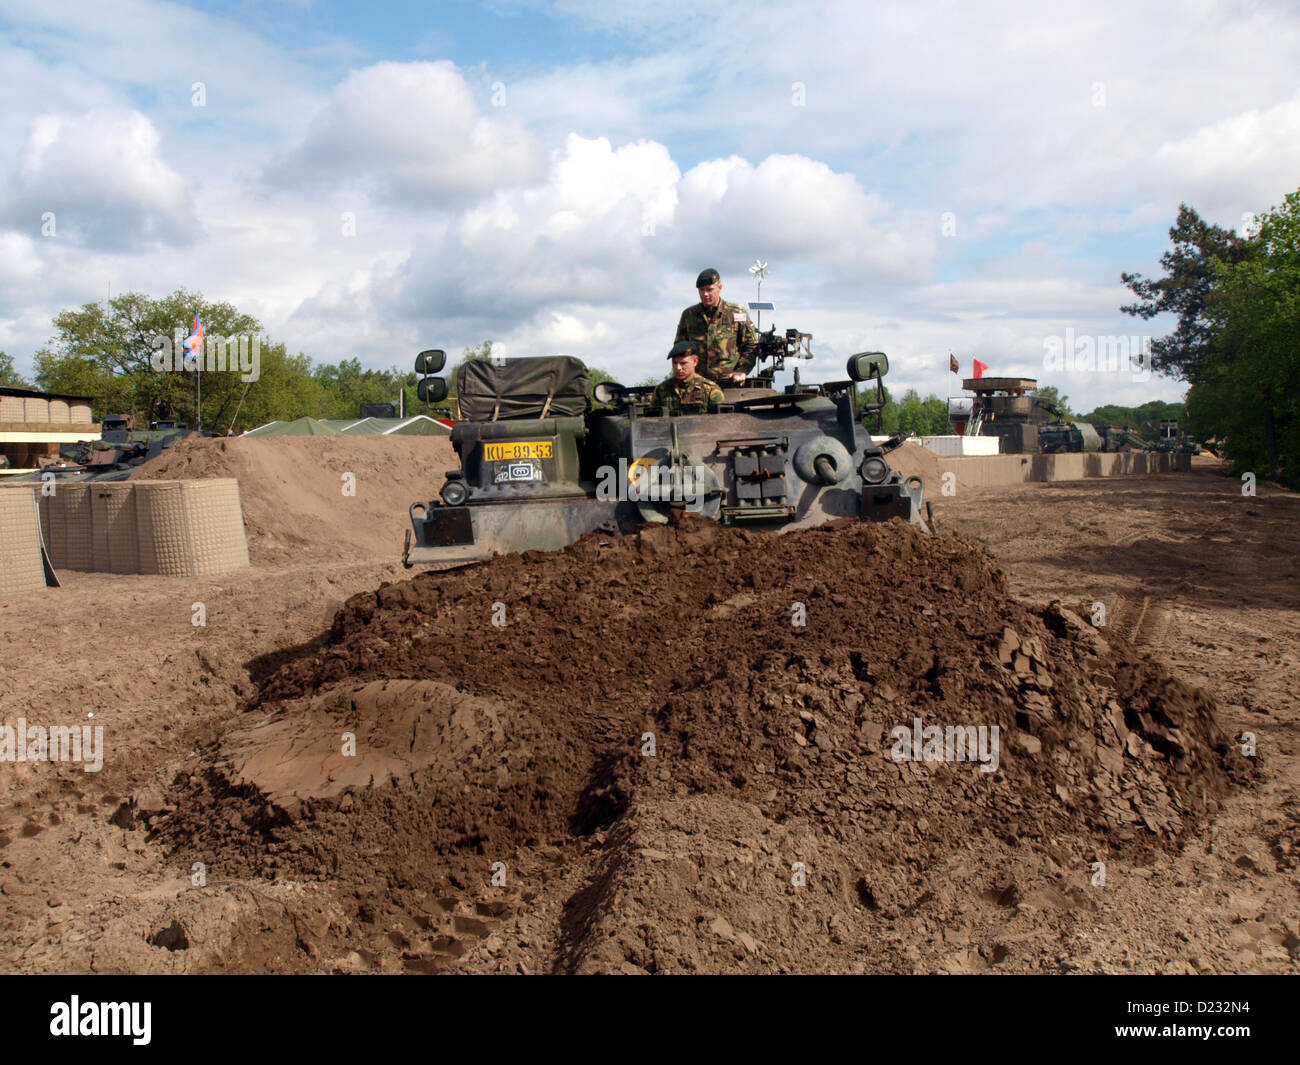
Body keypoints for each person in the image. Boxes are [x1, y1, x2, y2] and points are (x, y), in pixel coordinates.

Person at [674, 268, 759, 385]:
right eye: (701, 290)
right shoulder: (689, 316)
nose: (705, 294)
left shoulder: (736, 313)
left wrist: (742, 370)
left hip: (730, 384)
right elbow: (679, 349)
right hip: (698, 385)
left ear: (720, 288)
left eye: (710, 290)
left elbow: (751, 345)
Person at [652, 341, 725, 410]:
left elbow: (720, 421)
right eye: (675, 363)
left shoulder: (711, 391)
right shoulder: (661, 390)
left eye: (683, 363)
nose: (678, 368)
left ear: (695, 361)